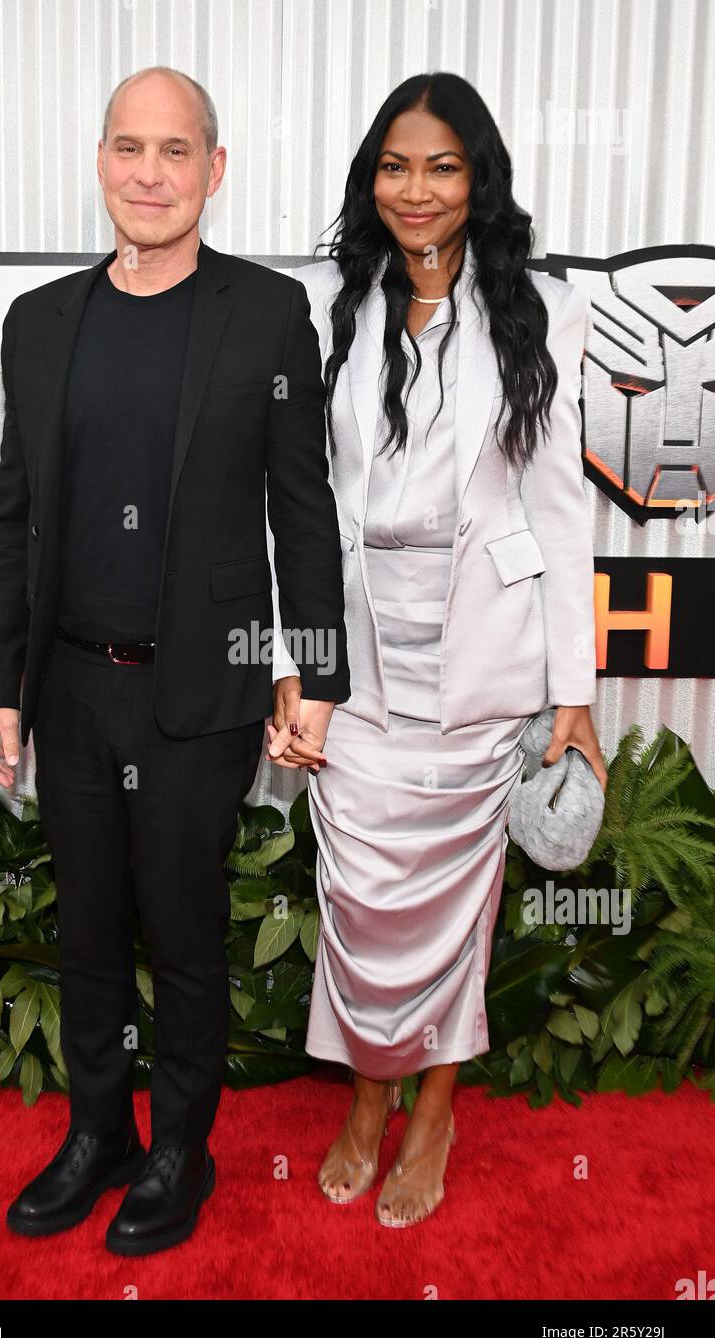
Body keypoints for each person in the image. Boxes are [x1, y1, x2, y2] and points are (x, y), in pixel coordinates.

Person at [0, 66, 349, 1256]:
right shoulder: (39, 322)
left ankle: (181, 1144)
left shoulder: (266, 314)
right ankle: (100, 1132)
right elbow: (14, 512)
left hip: (200, 694)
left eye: (175, 151)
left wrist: (317, 673)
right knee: (88, 928)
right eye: (128, 148)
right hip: (70, 688)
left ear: (214, 171)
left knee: (182, 934)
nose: (149, 172)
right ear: (100, 162)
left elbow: (304, 508)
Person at [266, 71, 608, 1228]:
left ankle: (432, 1111)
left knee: (460, 912)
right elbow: (298, 504)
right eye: (396, 166)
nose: (417, 190)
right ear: (373, 178)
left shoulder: (543, 312)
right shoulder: (332, 302)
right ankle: (366, 1101)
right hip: (358, 665)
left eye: (443, 166)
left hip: (484, 663)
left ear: (480, 180)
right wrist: (300, 664)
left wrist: (573, 690)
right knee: (360, 906)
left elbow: (561, 508)